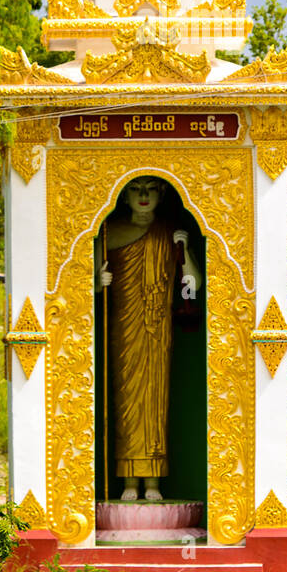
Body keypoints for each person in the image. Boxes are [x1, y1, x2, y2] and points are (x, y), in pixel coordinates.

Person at [97, 176, 200, 503]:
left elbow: (192, 286)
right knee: (126, 400)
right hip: (123, 332)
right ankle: (128, 480)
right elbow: (83, 284)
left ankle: (153, 483)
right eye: (135, 189)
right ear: (123, 195)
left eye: (151, 189)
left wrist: (185, 251)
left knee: (155, 402)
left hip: (158, 330)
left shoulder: (170, 233)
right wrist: (97, 282)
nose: (143, 196)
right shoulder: (109, 233)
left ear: (162, 193)